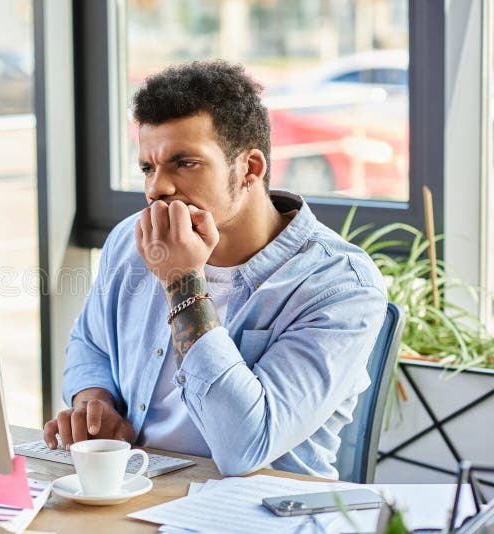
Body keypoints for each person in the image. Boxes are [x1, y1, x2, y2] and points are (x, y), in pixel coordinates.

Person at [43, 60, 387, 478]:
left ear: (250, 169)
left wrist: (181, 281)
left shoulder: (339, 286)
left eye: (183, 163)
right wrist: (93, 402)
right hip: (135, 490)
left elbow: (245, 447)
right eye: (148, 168)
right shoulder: (129, 242)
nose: (156, 189)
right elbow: (91, 343)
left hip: (257, 510)